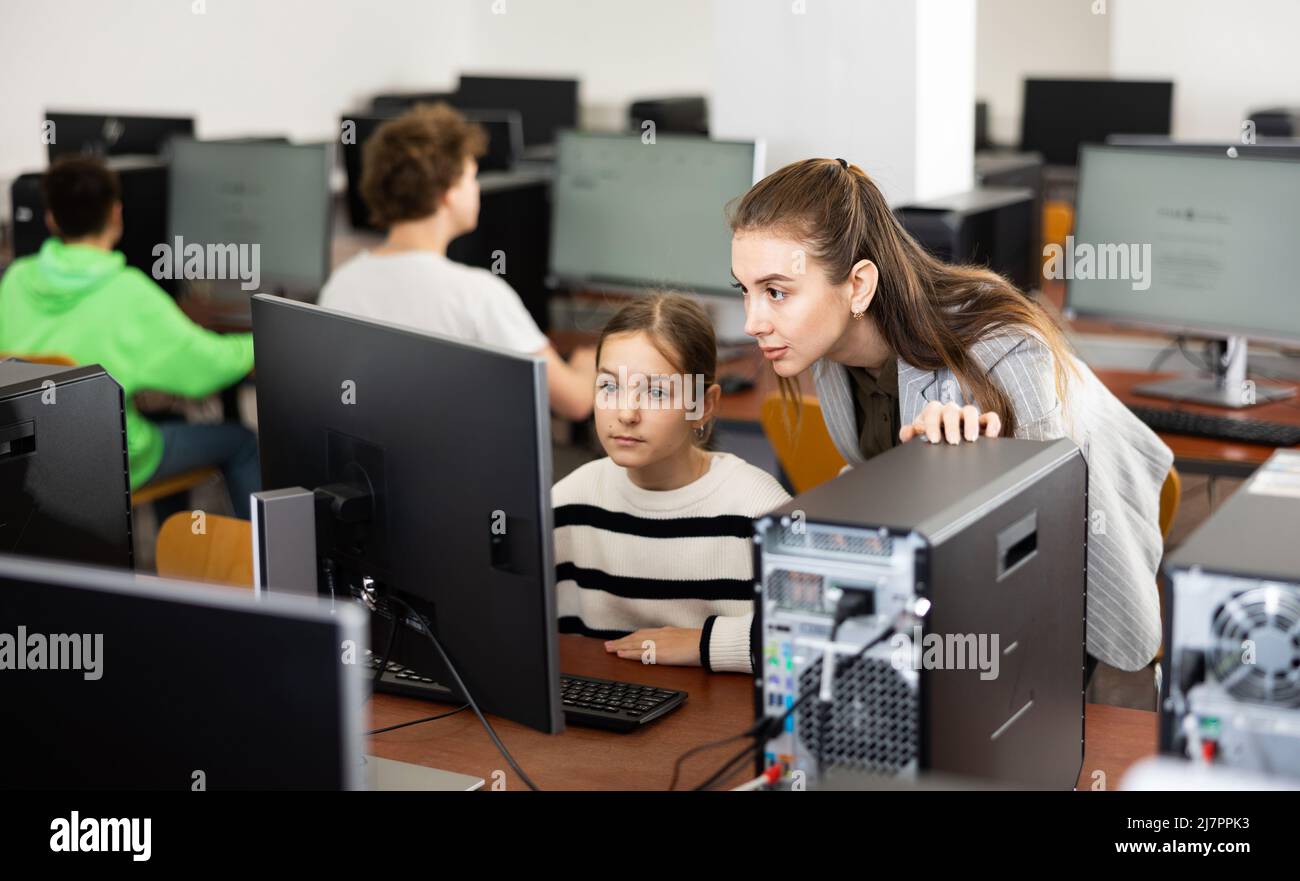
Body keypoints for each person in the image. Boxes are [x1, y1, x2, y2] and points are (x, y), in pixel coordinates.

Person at [728, 157, 1173, 675]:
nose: (752, 322)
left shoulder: (1005, 352)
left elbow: (1043, 541)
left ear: (859, 286)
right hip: (950, 592)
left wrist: (969, 473)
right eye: (747, 290)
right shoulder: (829, 353)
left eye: (776, 292)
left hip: (1066, 585)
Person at [0, 156, 258, 518]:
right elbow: (206, 370)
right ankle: (272, 570)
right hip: (110, 457)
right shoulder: (128, 292)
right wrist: (261, 342)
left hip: (31, 458)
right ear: (116, 215)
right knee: (242, 441)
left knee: (171, 422)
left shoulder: (15, 279)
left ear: (51, 219)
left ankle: (175, 546)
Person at [551, 293, 790, 673]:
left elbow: (818, 643)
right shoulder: (568, 503)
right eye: (610, 387)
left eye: (657, 392)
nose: (626, 413)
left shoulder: (757, 509)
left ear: (704, 406)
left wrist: (705, 643)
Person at [319, 103, 595, 420]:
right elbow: (575, 403)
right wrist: (587, 360)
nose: (477, 189)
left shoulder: (342, 283)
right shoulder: (478, 294)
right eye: (472, 177)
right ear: (446, 192)